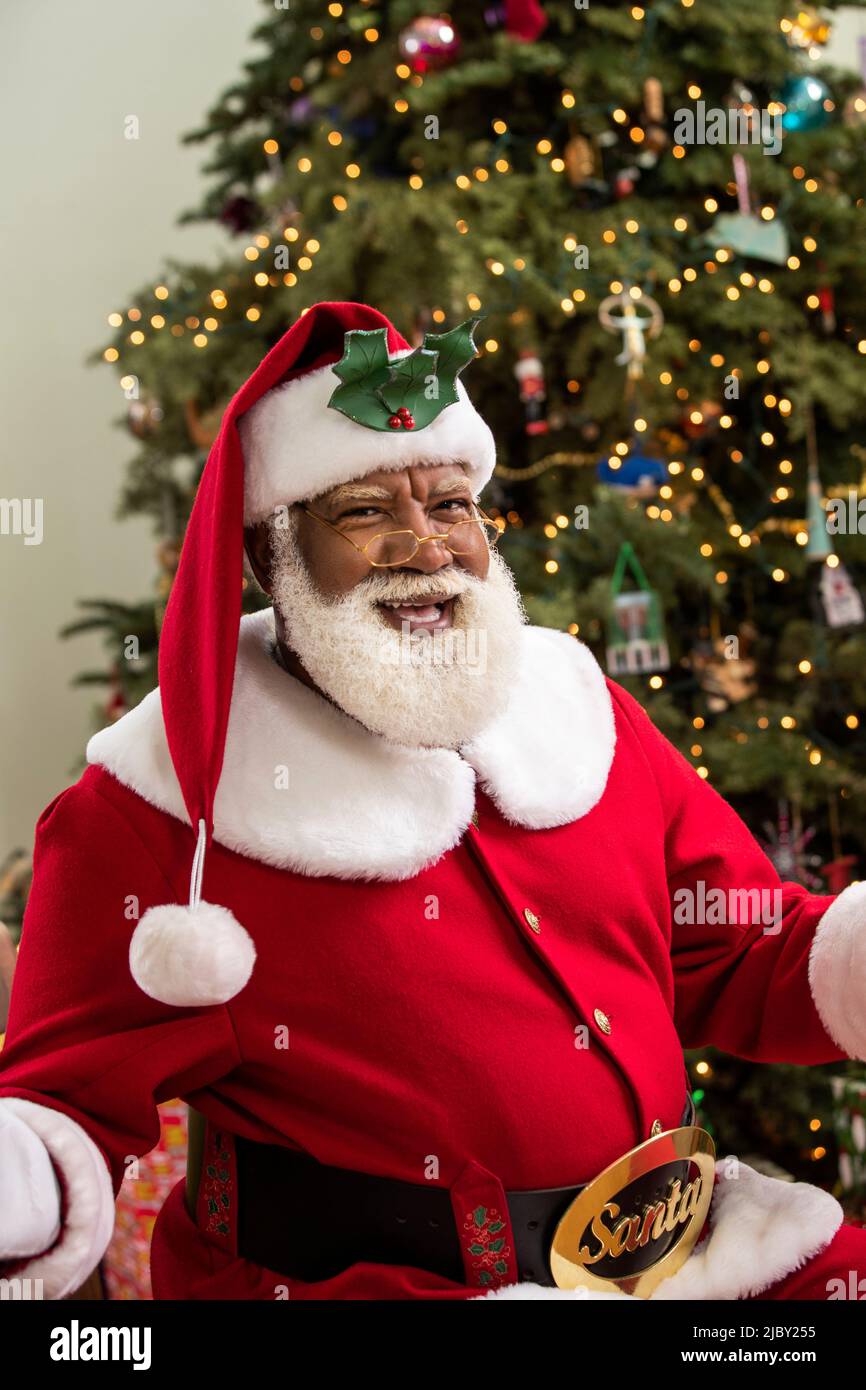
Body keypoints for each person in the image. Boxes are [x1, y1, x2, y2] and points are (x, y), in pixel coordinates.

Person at [1, 301, 864, 1302]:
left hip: (689, 1257)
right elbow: (56, 1109)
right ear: (270, 553)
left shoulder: (577, 708)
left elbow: (740, 951)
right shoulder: (155, 810)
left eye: (449, 504)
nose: (425, 544)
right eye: (364, 510)